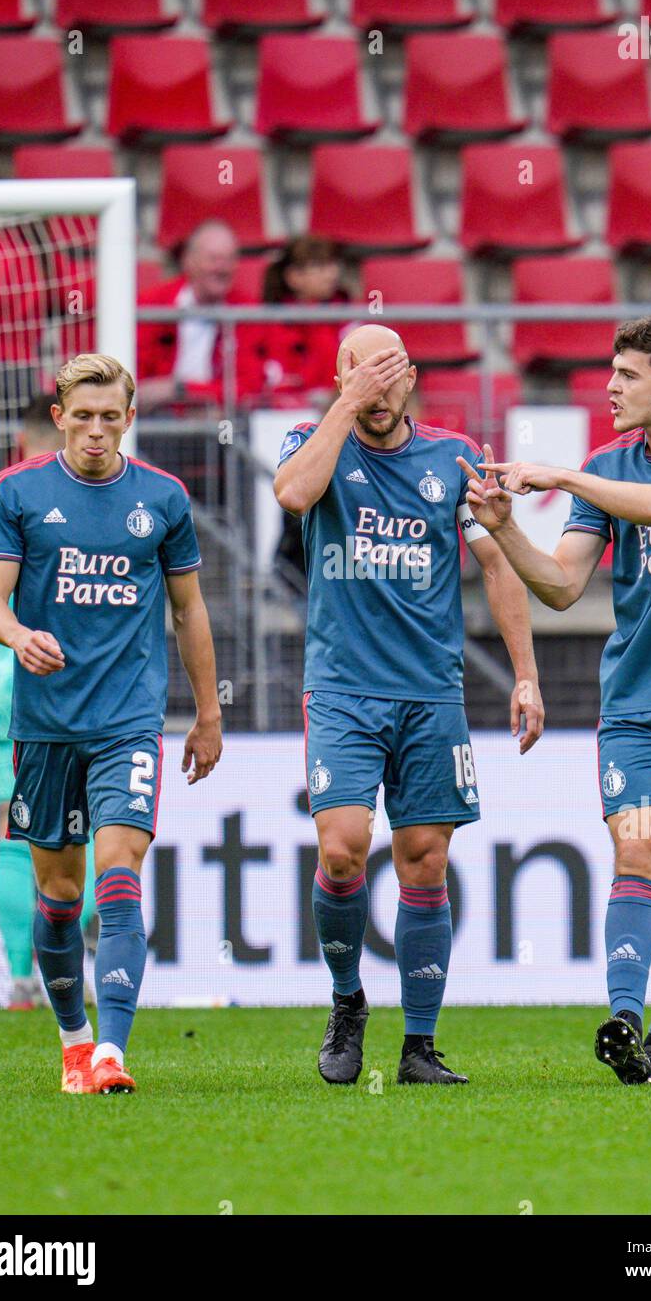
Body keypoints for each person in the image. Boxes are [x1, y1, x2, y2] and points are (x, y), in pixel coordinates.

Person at [460, 315, 651, 1086]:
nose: (609, 386)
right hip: (635, 703)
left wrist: (559, 476)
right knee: (637, 850)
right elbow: (562, 584)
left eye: (625, 375)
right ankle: (625, 1019)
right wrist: (503, 535)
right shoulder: (610, 462)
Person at [274, 323, 544, 1087]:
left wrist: (524, 674)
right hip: (343, 690)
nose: (376, 386)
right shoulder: (313, 441)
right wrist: (342, 407)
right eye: (359, 371)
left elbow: (496, 563)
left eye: (390, 371)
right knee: (341, 847)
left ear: (413, 378)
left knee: (424, 863)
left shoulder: (451, 460)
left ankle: (420, 1045)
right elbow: (293, 493)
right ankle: (347, 1000)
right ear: (339, 378)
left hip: (431, 693)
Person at [0, 354, 222, 1094]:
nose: (95, 429)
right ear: (59, 418)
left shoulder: (162, 499)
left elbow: (188, 610)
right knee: (59, 898)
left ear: (128, 418)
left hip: (128, 723)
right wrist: (19, 636)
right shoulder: (17, 493)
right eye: (82, 415)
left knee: (119, 872)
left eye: (109, 416)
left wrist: (209, 713)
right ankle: (75, 1044)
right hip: (46, 724)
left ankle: (112, 1052)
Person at [0, 394, 100, 1009]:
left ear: (22, 439)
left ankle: (20, 979)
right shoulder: (108, 500)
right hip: (92, 694)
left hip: (7, 698)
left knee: (15, 838)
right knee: (85, 834)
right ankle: (70, 967)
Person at [136, 220, 245, 409]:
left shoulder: (246, 312)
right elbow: (134, 379)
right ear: (188, 261)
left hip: (221, 417)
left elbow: (247, 387)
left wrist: (179, 389)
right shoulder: (152, 306)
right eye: (213, 259)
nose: (222, 268)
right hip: (157, 418)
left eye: (229, 259)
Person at [237, 236, 352, 407]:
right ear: (293, 277)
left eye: (333, 265)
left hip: (337, 411)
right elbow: (258, 378)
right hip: (280, 415)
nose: (332, 274)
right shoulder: (266, 323)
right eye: (321, 267)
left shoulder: (348, 317)